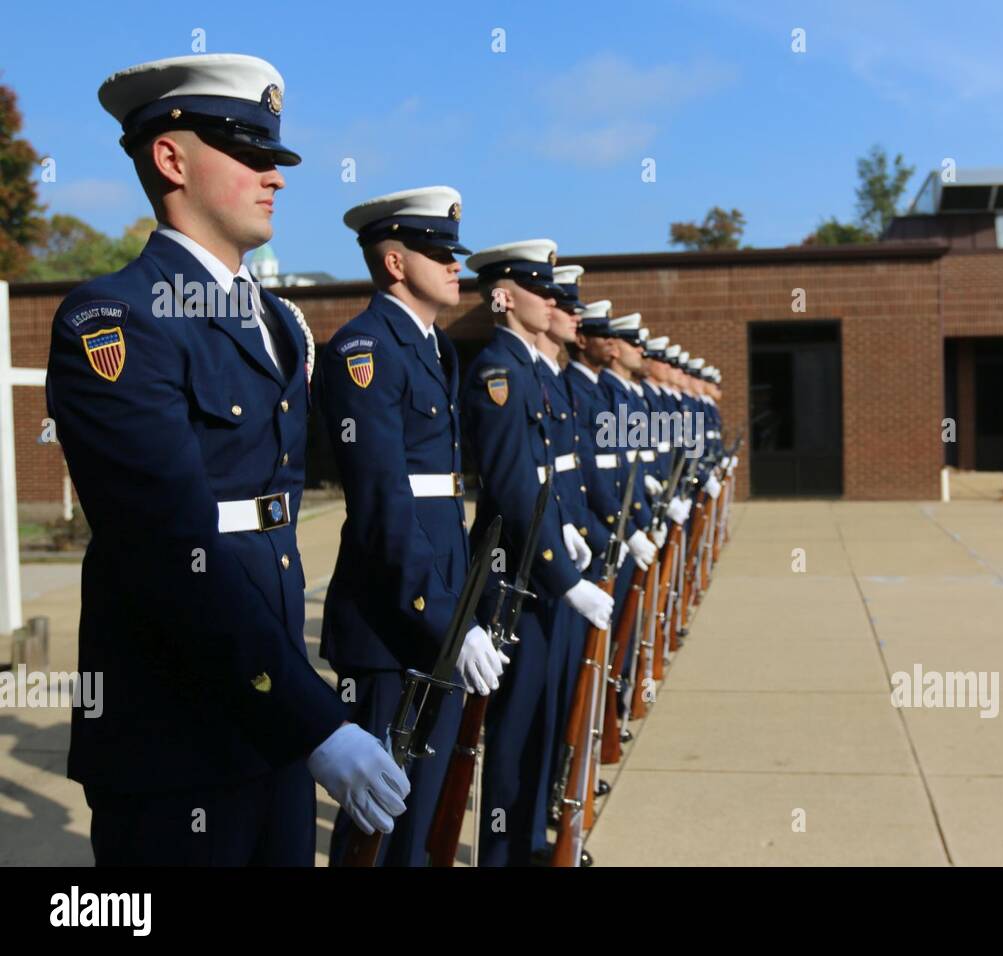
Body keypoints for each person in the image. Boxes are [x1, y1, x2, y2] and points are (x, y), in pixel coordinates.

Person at [47, 53, 407, 865]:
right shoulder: (113, 319)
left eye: (275, 158)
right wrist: (316, 720)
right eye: (249, 154)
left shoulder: (278, 324)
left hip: (271, 713)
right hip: (177, 736)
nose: (273, 176)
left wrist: (295, 716)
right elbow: (171, 551)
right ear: (171, 159)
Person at [315, 186, 509, 865]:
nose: (455, 265)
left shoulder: (431, 348)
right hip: (395, 620)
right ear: (394, 263)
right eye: (437, 252)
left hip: (439, 605)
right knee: (379, 824)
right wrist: (442, 622)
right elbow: (383, 509)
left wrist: (461, 616)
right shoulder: (365, 350)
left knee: (423, 817)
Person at [461, 239, 613, 866]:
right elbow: (513, 487)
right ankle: (503, 856)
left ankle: (528, 848)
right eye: (539, 288)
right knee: (515, 736)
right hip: (516, 580)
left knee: (545, 720)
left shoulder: (527, 371)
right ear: (502, 297)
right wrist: (564, 573)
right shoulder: (498, 371)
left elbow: (549, 478)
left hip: (541, 570)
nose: (552, 300)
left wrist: (567, 537)